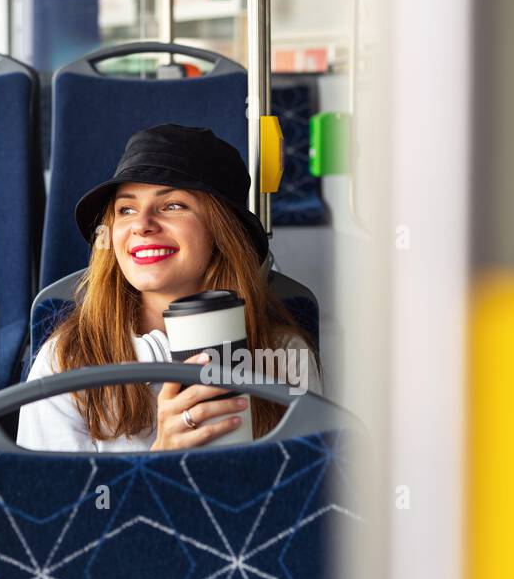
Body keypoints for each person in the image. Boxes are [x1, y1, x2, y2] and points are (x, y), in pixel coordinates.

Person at [16, 123, 322, 453]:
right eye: (126, 209)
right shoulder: (67, 360)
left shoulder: (283, 357)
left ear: (220, 231)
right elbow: (53, 503)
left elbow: (306, 495)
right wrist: (161, 461)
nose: (142, 224)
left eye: (172, 205)